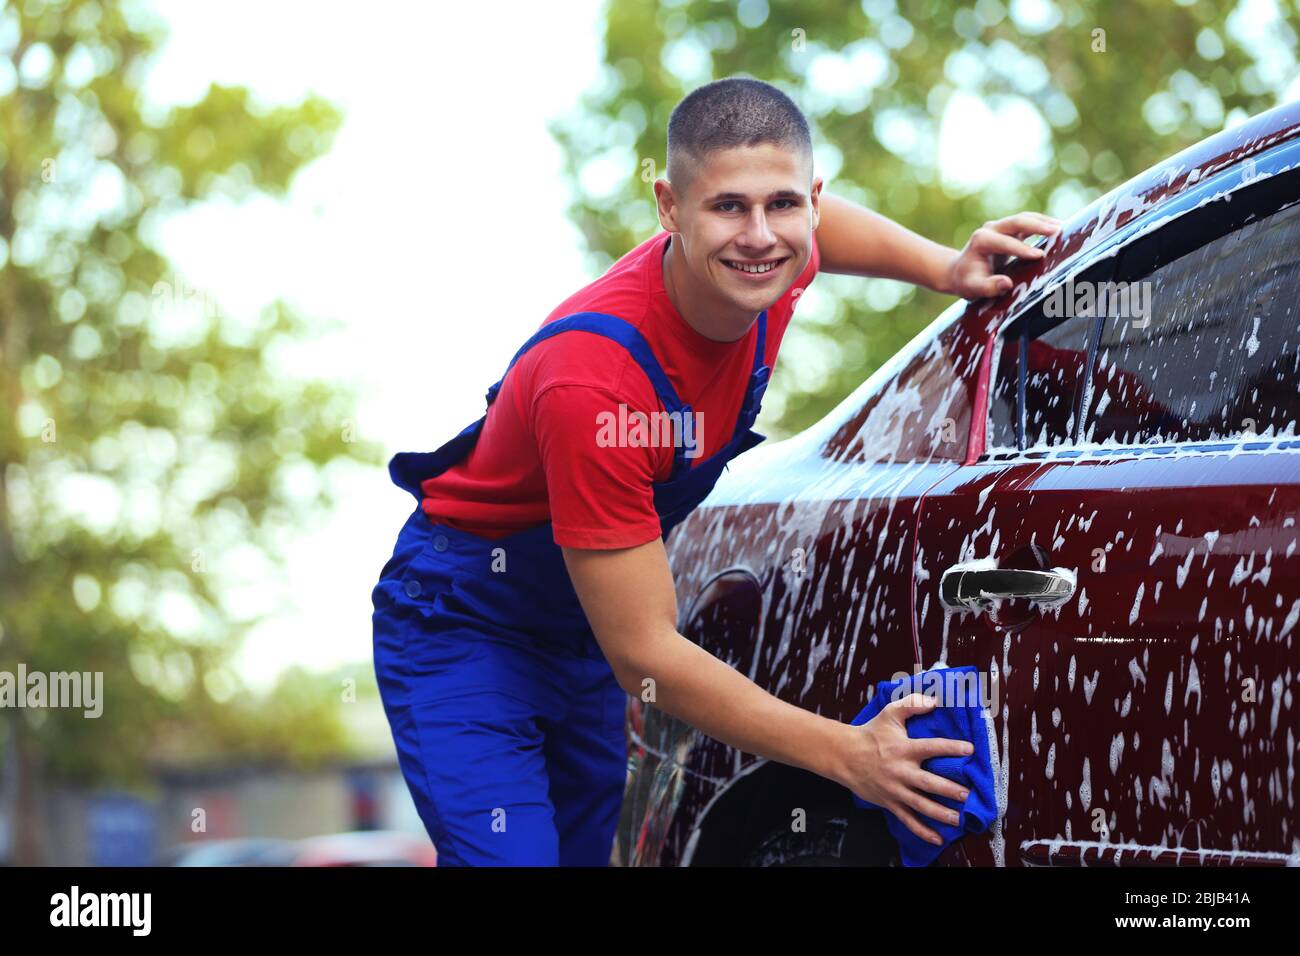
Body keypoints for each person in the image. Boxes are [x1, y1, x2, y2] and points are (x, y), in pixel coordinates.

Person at [371, 76, 1060, 866]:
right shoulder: (593, 381)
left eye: (784, 204)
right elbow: (644, 652)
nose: (761, 235)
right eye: (726, 206)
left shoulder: (772, 262)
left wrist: (945, 266)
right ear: (669, 206)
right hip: (469, 623)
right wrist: (847, 753)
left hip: (583, 627)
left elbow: (818, 228)